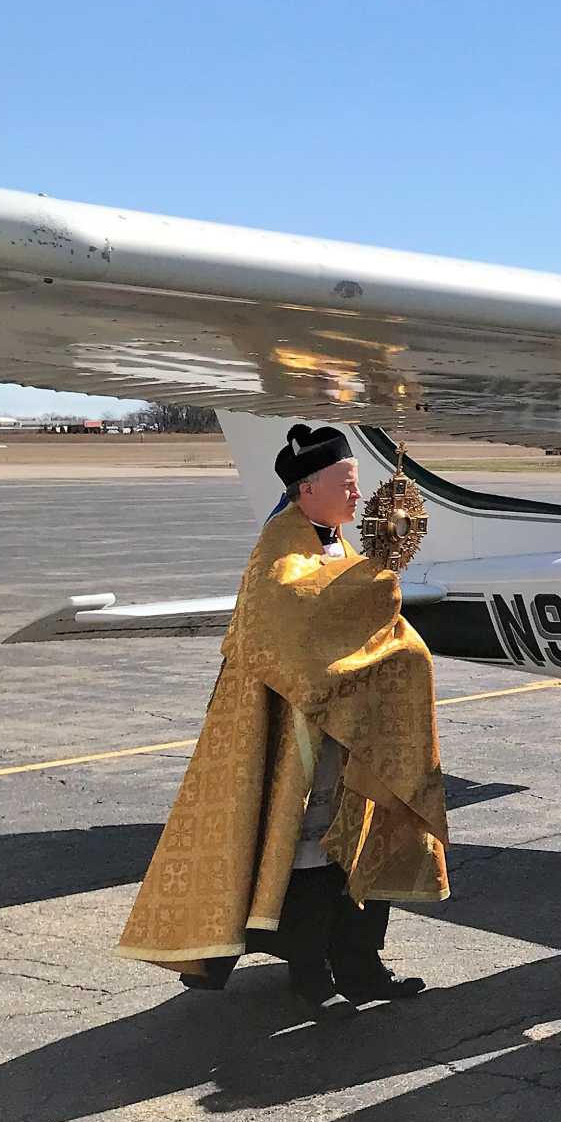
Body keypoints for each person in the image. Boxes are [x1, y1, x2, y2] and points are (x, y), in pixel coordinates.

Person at [117, 424, 449, 1007]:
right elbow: (289, 622)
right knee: (307, 855)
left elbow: (351, 620)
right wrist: (372, 587)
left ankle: (361, 965)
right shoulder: (280, 543)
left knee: (357, 845)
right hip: (296, 735)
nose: (356, 494)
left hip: (346, 731)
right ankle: (311, 971)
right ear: (307, 488)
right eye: (346, 483)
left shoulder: (338, 543)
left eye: (356, 483)